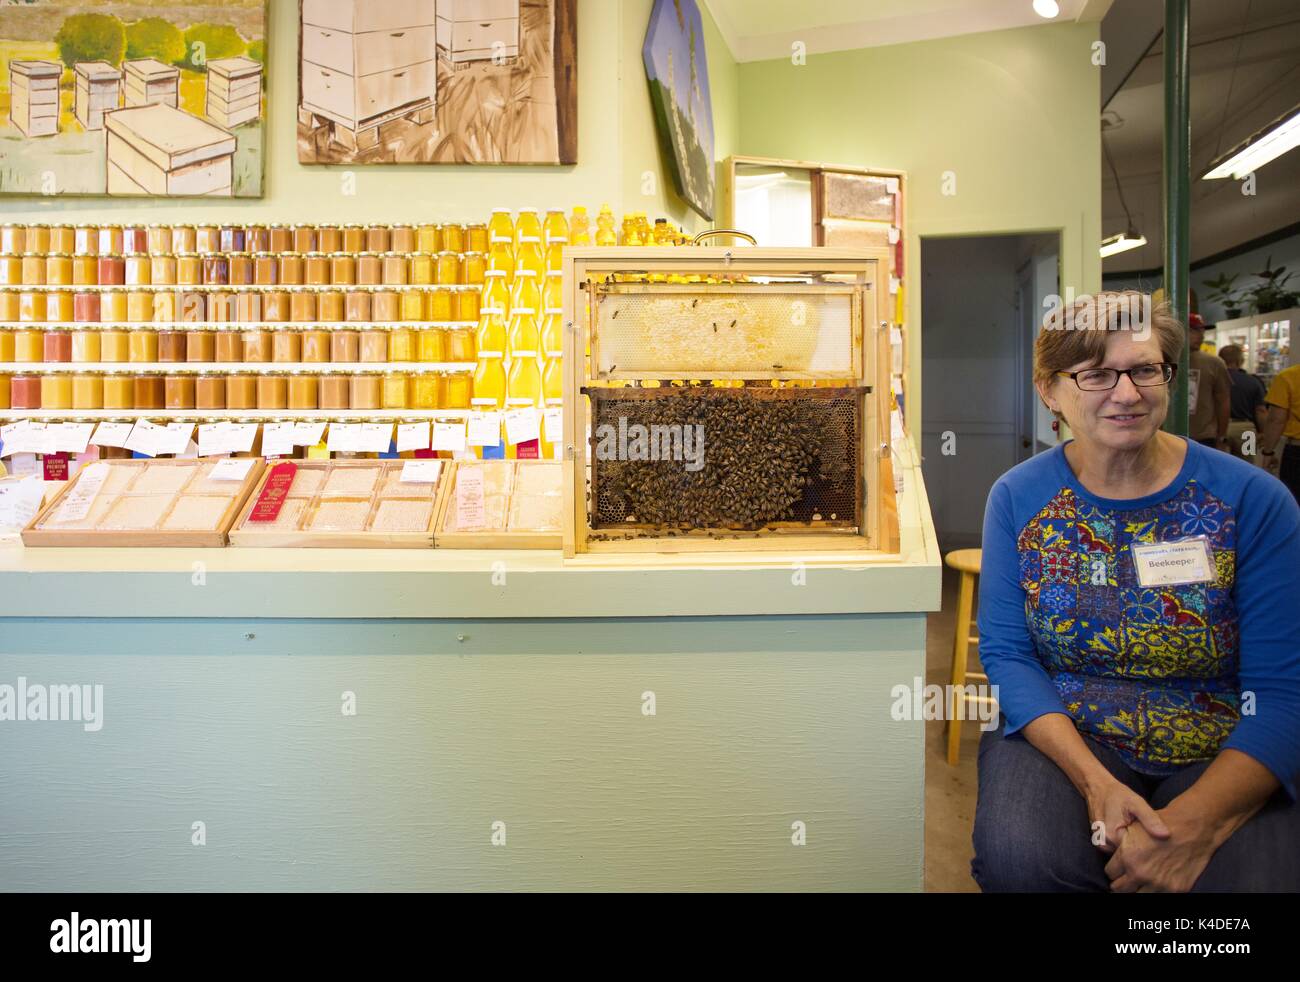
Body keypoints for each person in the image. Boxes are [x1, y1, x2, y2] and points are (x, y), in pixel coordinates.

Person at [971, 291, 1300, 892]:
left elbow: (1283, 689)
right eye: (1096, 374)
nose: (1126, 394)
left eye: (1145, 369)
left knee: (1257, 881)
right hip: (1068, 729)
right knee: (1022, 859)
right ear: (1050, 391)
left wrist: (1195, 828)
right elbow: (1008, 654)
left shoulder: (1252, 501)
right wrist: (1096, 782)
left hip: (1219, 735)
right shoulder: (1018, 497)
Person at [1188, 314, 1230, 451]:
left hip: (1204, 437)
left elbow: (1222, 400)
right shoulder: (1163, 359)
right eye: (1194, 330)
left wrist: (1221, 436)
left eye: (1202, 331)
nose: (1201, 335)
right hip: (1168, 435)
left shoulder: (1214, 363)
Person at [1218, 344, 1267, 460]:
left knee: (1219, 463)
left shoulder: (1215, 379)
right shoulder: (1253, 381)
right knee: (1247, 463)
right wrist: (1263, 432)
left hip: (1219, 428)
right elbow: (1261, 411)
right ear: (1240, 360)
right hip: (1247, 430)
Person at [1261, 363, 1300, 504]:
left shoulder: (1288, 377)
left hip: (1297, 451)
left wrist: (1268, 453)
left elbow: (1276, 419)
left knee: (1294, 503)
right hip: (1247, 430)